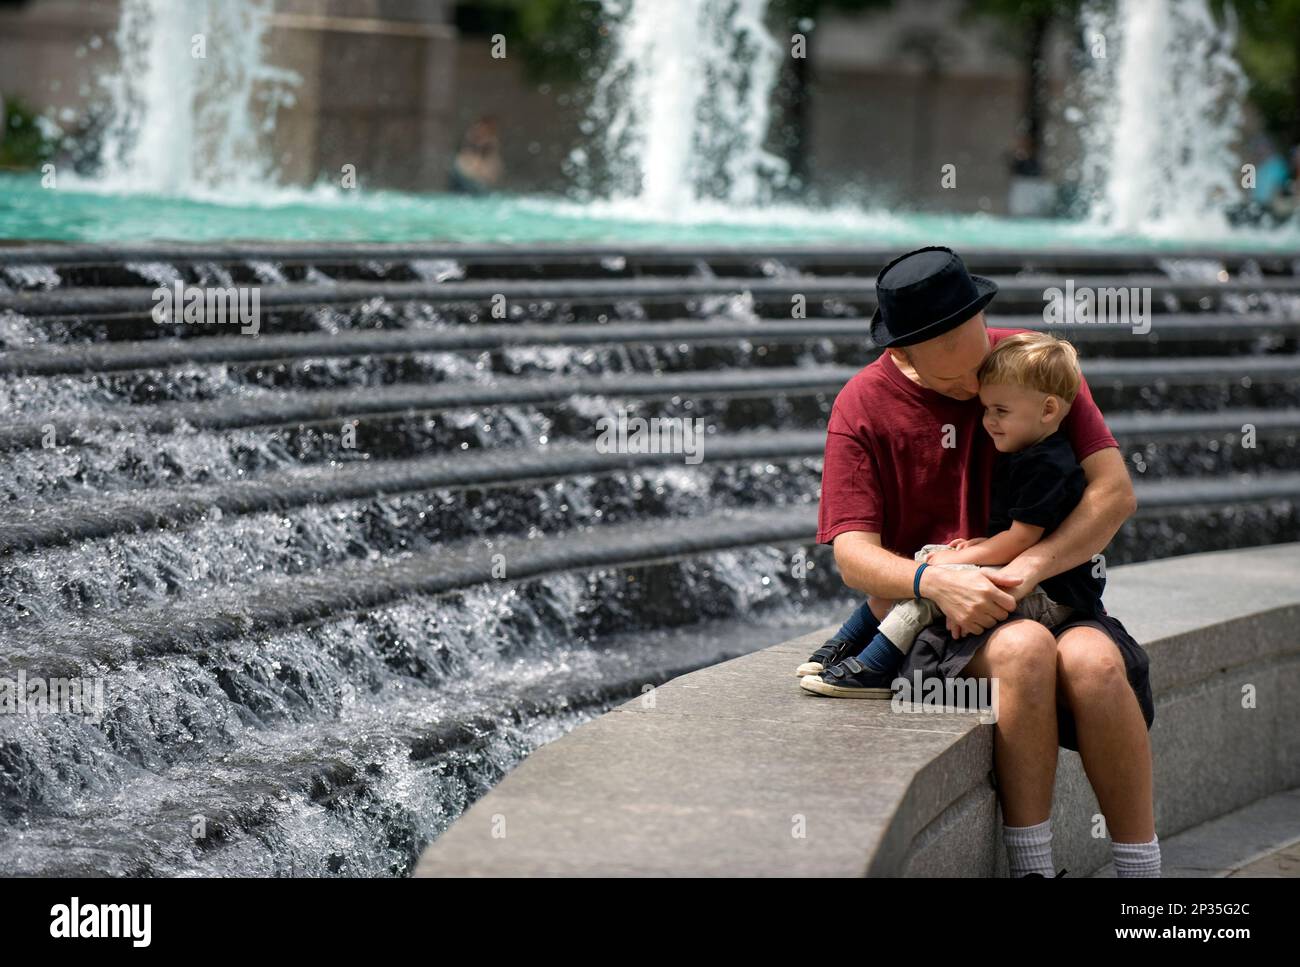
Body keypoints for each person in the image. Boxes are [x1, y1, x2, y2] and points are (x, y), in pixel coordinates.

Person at [802, 245, 1158, 878]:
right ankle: (1032, 869)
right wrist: (932, 578)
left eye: (980, 365)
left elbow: (1113, 494)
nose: (976, 391)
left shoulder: (1028, 365)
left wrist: (1029, 568)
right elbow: (853, 555)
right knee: (1023, 649)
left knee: (1096, 660)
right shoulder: (861, 404)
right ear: (902, 354)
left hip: (1047, 590)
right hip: (944, 621)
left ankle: (1143, 875)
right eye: (955, 382)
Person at [800, 331, 1091, 699]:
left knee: (933, 585)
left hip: (1051, 593)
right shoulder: (1028, 451)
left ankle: (875, 667)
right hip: (1025, 576)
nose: (987, 421)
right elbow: (1028, 526)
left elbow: (1023, 538)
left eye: (1000, 411)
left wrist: (961, 559)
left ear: (1048, 410)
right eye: (987, 410)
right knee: (923, 569)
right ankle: (844, 646)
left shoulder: (1046, 465)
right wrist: (975, 547)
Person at [448, 115, 503, 195]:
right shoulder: (470, 141)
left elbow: (492, 169)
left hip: (479, 177)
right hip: (467, 175)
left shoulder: (491, 144)